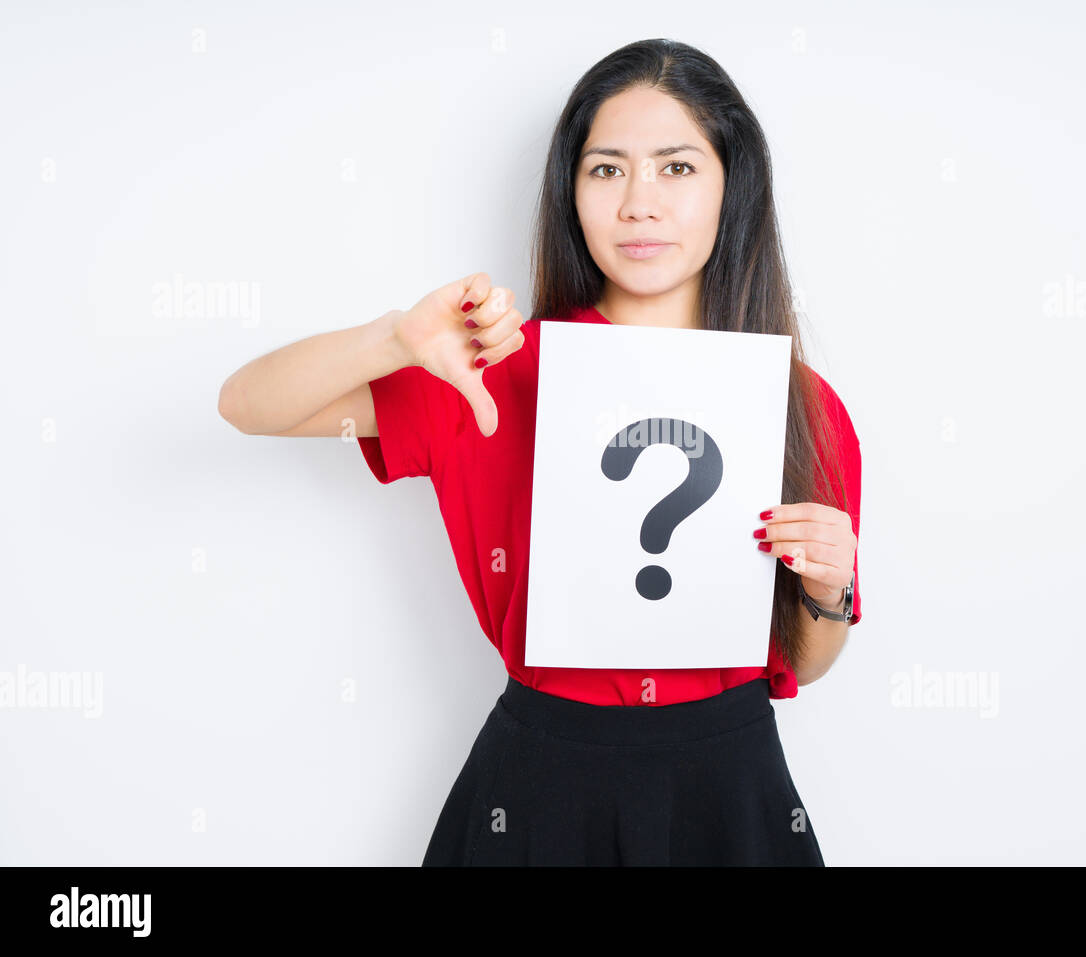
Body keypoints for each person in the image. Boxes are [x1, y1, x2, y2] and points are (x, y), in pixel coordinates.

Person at [218, 38, 862, 866]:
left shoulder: (801, 405)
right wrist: (393, 337)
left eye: (676, 167)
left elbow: (804, 664)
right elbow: (247, 404)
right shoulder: (499, 369)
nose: (639, 203)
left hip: (728, 782)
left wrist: (829, 586)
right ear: (571, 192)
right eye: (606, 169)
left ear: (732, 186)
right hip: (541, 781)